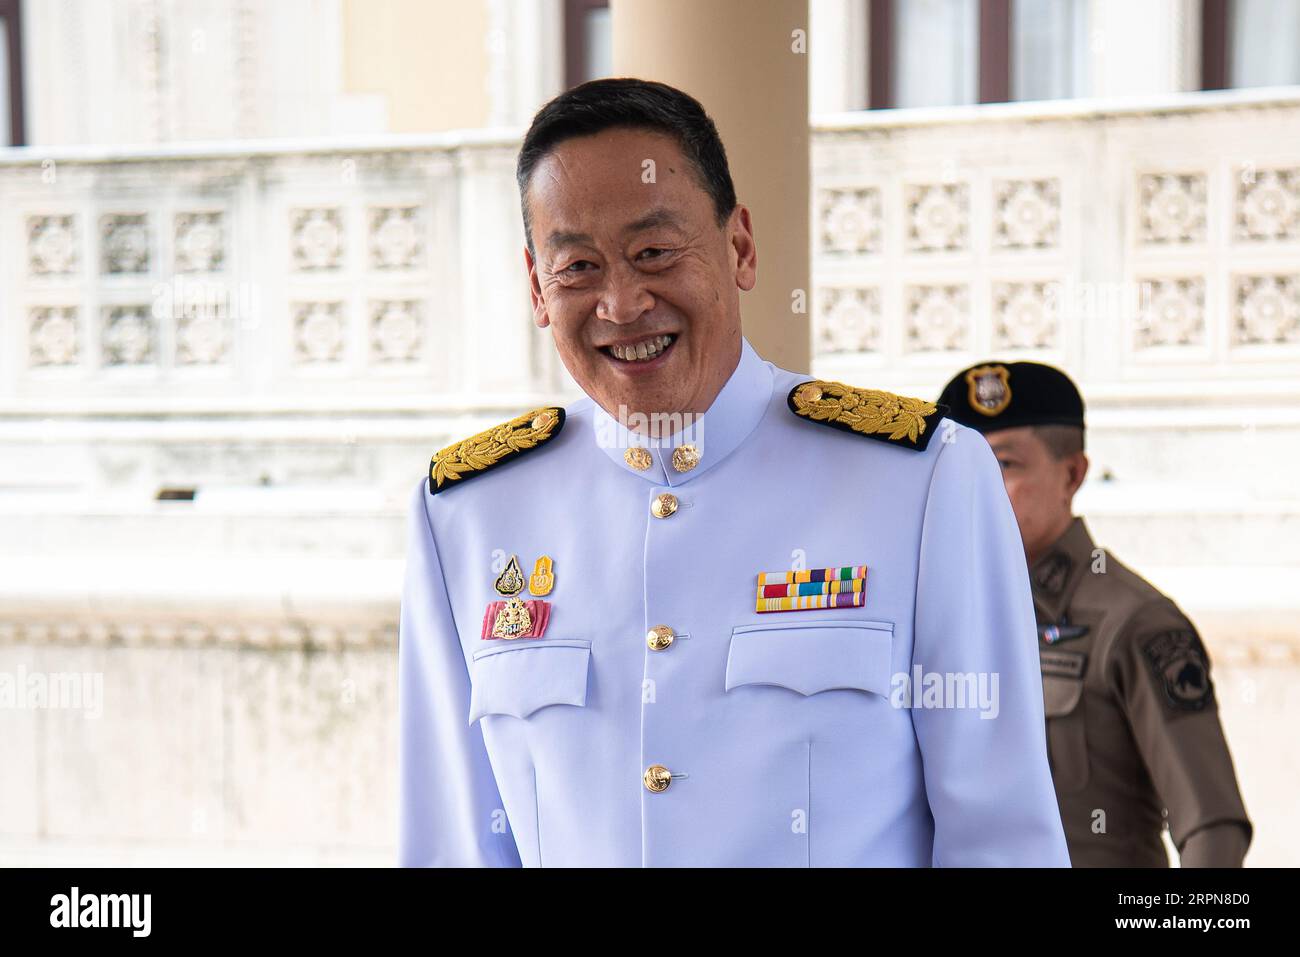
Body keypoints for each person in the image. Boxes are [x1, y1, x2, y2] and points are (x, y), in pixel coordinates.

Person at [398, 77, 1069, 867]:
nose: (621, 302)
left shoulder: (923, 481)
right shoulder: (468, 513)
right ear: (538, 289)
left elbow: (1001, 839)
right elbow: (455, 844)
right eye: (578, 266)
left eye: (654, 252)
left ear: (740, 248)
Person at [937, 360, 1252, 866]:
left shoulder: (1136, 622)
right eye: (964, 469)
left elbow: (1213, 829)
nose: (980, 488)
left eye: (1006, 466)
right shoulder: (941, 613)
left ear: (1072, 474)